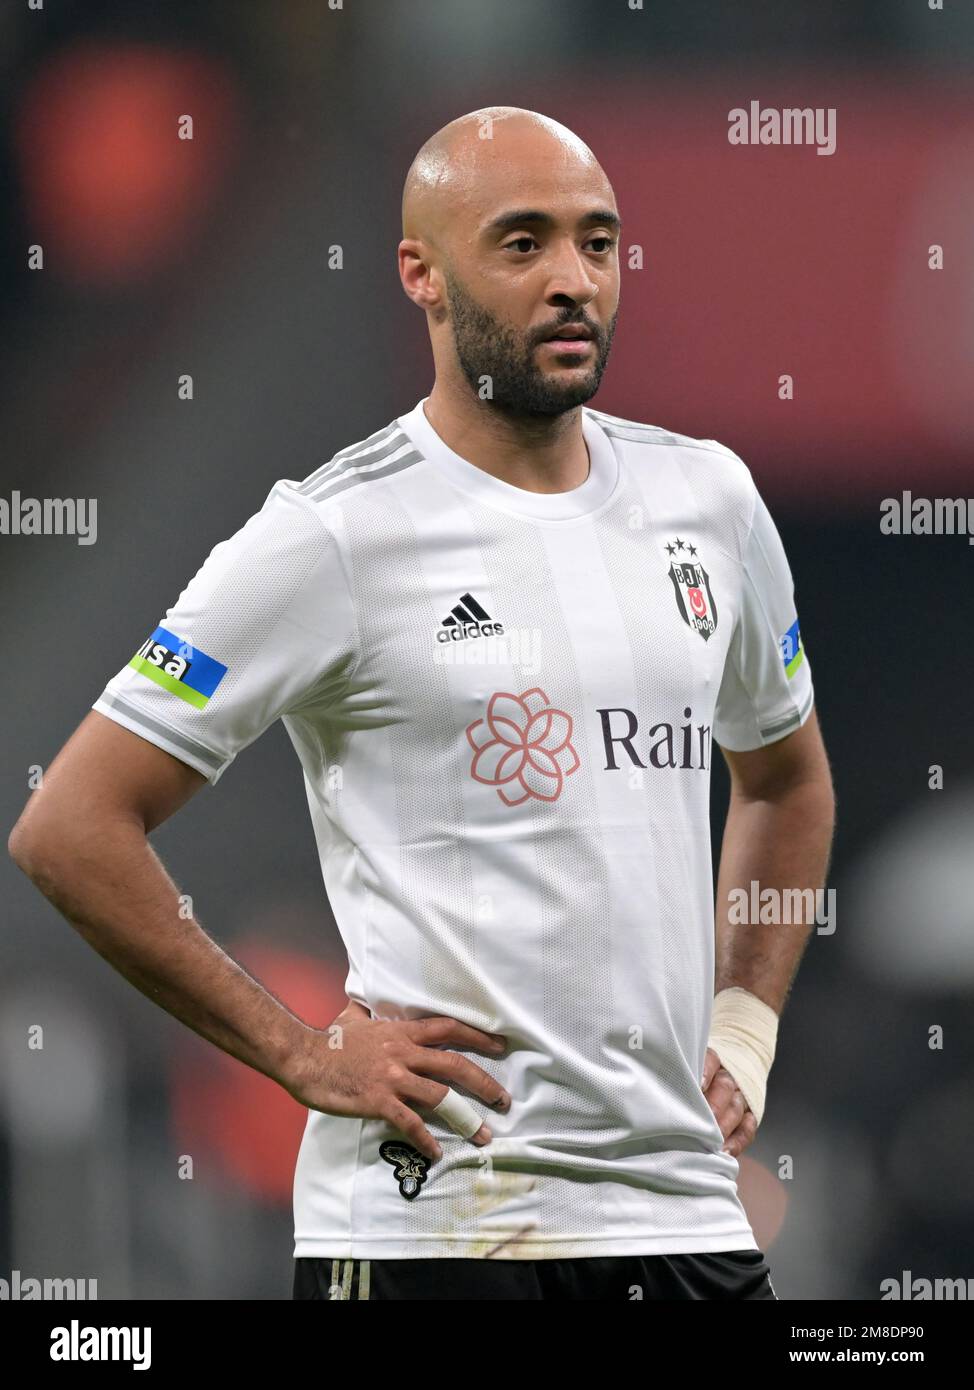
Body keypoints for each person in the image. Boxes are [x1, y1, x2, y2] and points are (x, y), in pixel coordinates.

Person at [9, 106, 835, 1301]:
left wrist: (744, 1034)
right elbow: (70, 827)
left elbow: (783, 775)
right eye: (521, 243)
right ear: (421, 275)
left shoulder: (707, 501)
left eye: (595, 244)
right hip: (431, 1229)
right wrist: (301, 1052)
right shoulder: (332, 534)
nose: (570, 280)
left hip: (680, 1216)